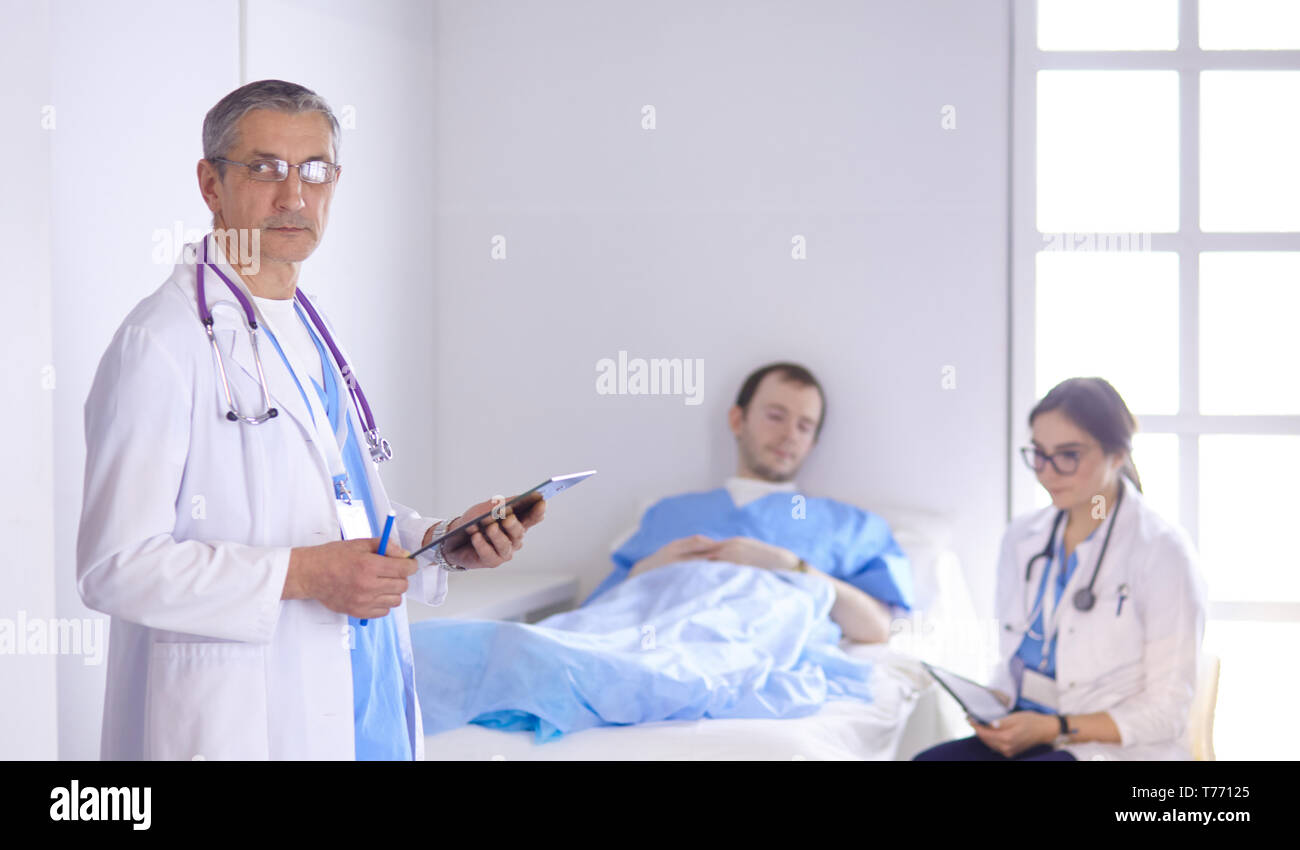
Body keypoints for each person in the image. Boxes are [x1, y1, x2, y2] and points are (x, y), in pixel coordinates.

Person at [75, 80, 544, 761]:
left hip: (363, 699)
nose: (293, 196)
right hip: (244, 721)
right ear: (211, 184)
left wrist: (439, 543)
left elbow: (335, 509)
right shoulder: (164, 342)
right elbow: (115, 567)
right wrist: (302, 577)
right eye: (264, 169)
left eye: (314, 171)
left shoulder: (306, 326)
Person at [914, 377, 1206, 761]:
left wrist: (1058, 727)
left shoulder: (1162, 551)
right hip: (1032, 733)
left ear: (1117, 454)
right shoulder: (1022, 538)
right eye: (1039, 453)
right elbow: (1013, 657)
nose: (1047, 472)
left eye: (1068, 455)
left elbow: (1167, 711)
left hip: (1110, 748)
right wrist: (995, 708)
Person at [584, 362, 912, 643]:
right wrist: (649, 569)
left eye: (804, 426)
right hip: (652, 644)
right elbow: (601, 615)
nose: (789, 435)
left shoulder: (846, 525)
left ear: (813, 442)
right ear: (738, 420)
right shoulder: (668, 515)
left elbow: (879, 628)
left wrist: (790, 567)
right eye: (775, 416)